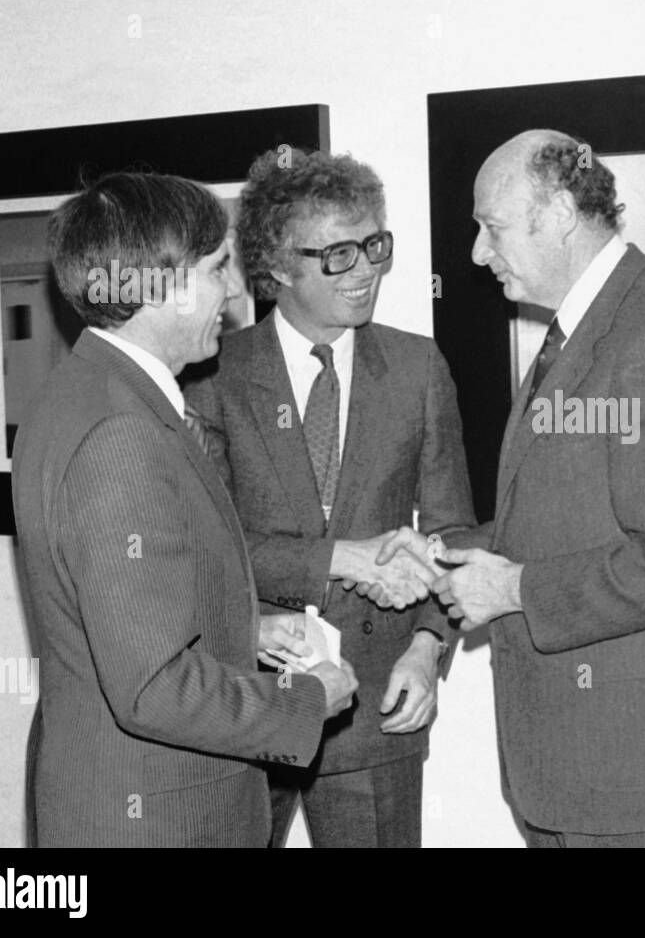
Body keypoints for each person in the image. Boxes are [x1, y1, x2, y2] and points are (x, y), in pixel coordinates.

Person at [430, 129, 645, 848]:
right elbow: (567, 520)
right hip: (587, 770)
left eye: (491, 228)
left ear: (555, 214)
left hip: (631, 773)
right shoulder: (594, 324)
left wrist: (515, 590)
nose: (477, 254)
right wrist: (442, 557)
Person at [12, 171, 358, 847]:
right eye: (218, 267)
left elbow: (118, 613)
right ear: (159, 288)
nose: (234, 291)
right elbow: (153, 686)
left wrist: (243, 630)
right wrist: (307, 700)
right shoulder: (121, 435)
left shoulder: (80, 396)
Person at [183, 148, 475, 848]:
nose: (367, 269)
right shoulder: (212, 378)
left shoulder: (416, 369)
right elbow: (208, 552)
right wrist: (341, 559)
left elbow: (453, 532)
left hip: (380, 703)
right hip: (249, 699)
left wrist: (429, 649)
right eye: (338, 254)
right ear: (278, 267)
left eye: (374, 245)